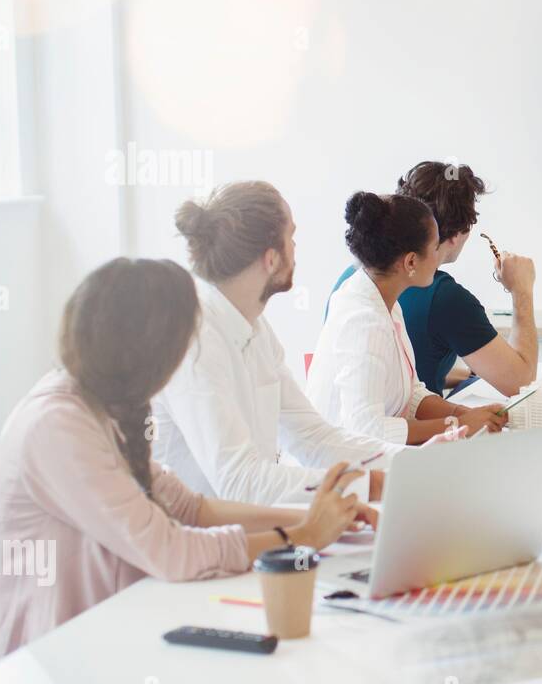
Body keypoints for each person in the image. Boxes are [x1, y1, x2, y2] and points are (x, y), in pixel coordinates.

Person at [0, 259, 375, 681]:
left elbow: (189, 508)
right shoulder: (57, 423)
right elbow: (171, 551)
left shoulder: (100, 404)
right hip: (10, 669)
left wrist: (319, 517)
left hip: (74, 645)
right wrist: (301, 537)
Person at [153, 180, 401, 504]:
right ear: (271, 259)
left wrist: (412, 463)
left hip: (251, 526)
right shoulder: (193, 340)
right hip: (200, 543)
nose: (296, 249)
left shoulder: (255, 325)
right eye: (292, 237)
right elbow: (240, 481)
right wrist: (366, 486)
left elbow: (313, 437)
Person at [308, 192, 507, 443]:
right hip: (343, 471)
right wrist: (457, 425)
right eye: (435, 247)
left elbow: (410, 394)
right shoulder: (364, 322)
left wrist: (465, 414)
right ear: (411, 261)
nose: (439, 257)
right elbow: (367, 430)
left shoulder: (385, 298)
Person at [330, 162, 537, 397]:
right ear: (456, 235)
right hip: (406, 430)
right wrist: (522, 290)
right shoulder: (445, 298)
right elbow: (521, 384)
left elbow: (381, 371)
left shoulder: (352, 277)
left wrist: (459, 374)